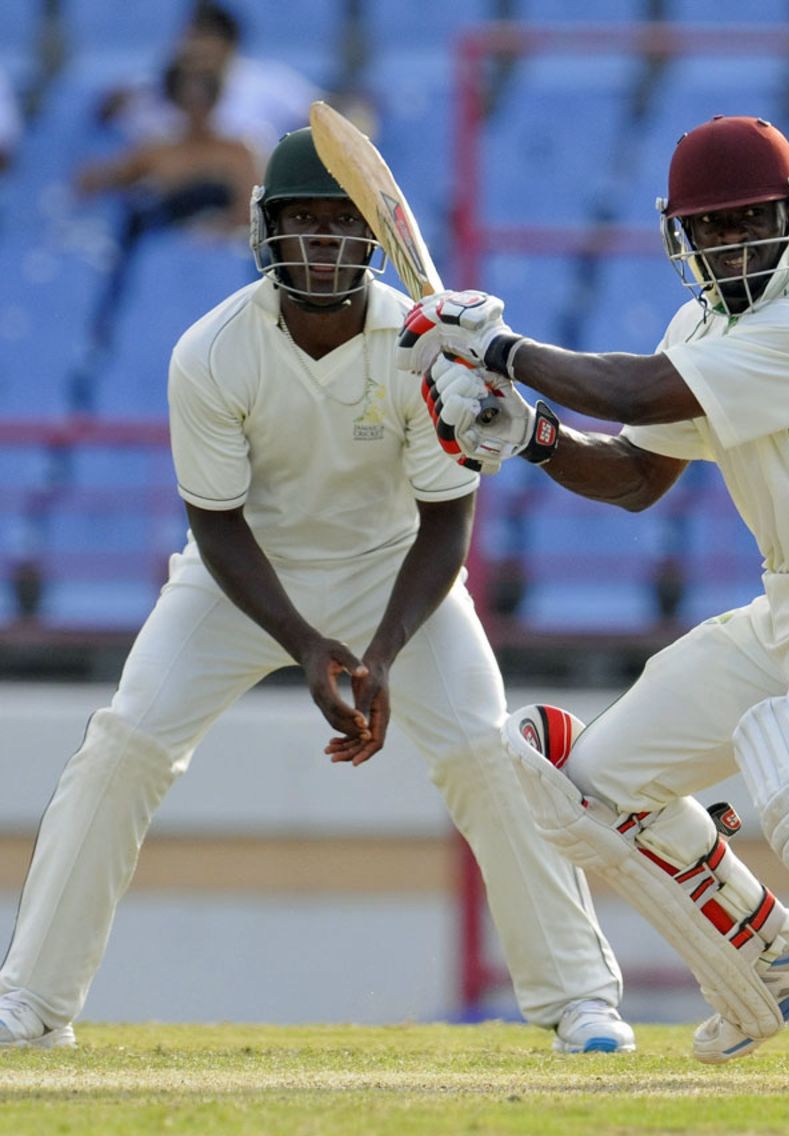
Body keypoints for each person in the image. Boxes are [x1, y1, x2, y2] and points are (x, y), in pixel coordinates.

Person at [403, 115, 789, 1090]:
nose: (735, 245)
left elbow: (647, 393)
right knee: (574, 781)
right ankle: (775, 955)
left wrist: (503, 349)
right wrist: (533, 438)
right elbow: (640, 474)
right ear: (679, 234)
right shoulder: (700, 326)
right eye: (716, 228)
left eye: (753, 222)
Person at [0, 128, 633, 1055]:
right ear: (268, 233)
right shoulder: (211, 352)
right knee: (126, 743)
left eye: (343, 224)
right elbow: (216, 524)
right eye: (306, 222)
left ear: (373, 238)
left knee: (490, 756)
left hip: (396, 568)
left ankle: (581, 1001)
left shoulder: (424, 347)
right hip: (245, 574)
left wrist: (378, 655)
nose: (326, 243)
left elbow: (447, 522)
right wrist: (306, 645)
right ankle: (31, 1003)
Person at [99, 1, 322, 162]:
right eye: (188, 38)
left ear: (227, 43)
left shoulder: (270, 84)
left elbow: (325, 116)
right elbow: (106, 119)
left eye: (201, 38)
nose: (191, 47)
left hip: (242, 189)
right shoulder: (154, 86)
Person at [76, 53, 261, 237]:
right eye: (189, 98)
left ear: (215, 98)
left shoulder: (238, 153)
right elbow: (102, 181)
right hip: (164, 248)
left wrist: (219, 227)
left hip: (220, 247)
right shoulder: (155, 151)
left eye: (203, 96)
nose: (196, 106)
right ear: (176, 99)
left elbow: (252, 209)